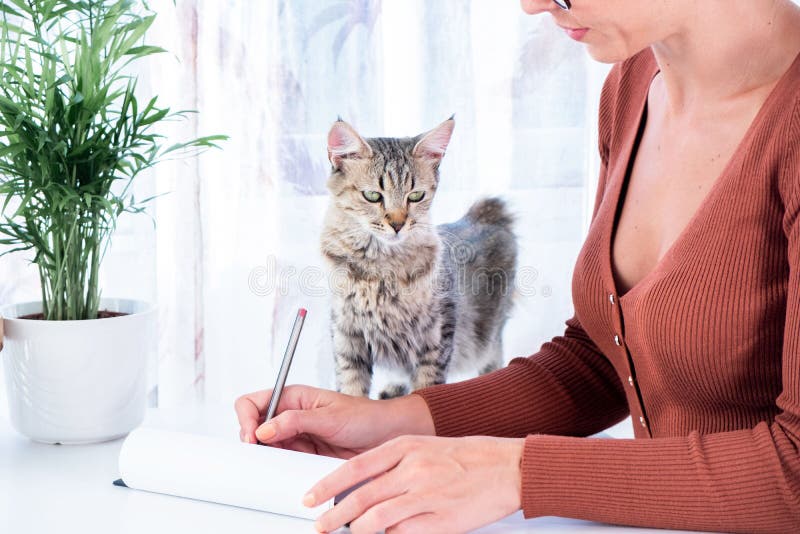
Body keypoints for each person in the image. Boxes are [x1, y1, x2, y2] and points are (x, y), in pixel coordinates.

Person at [235, 0, 800, 532]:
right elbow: (609, 363)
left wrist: (516, 472)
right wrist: (387, 421)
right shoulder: (632, 87)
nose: (531, 5)